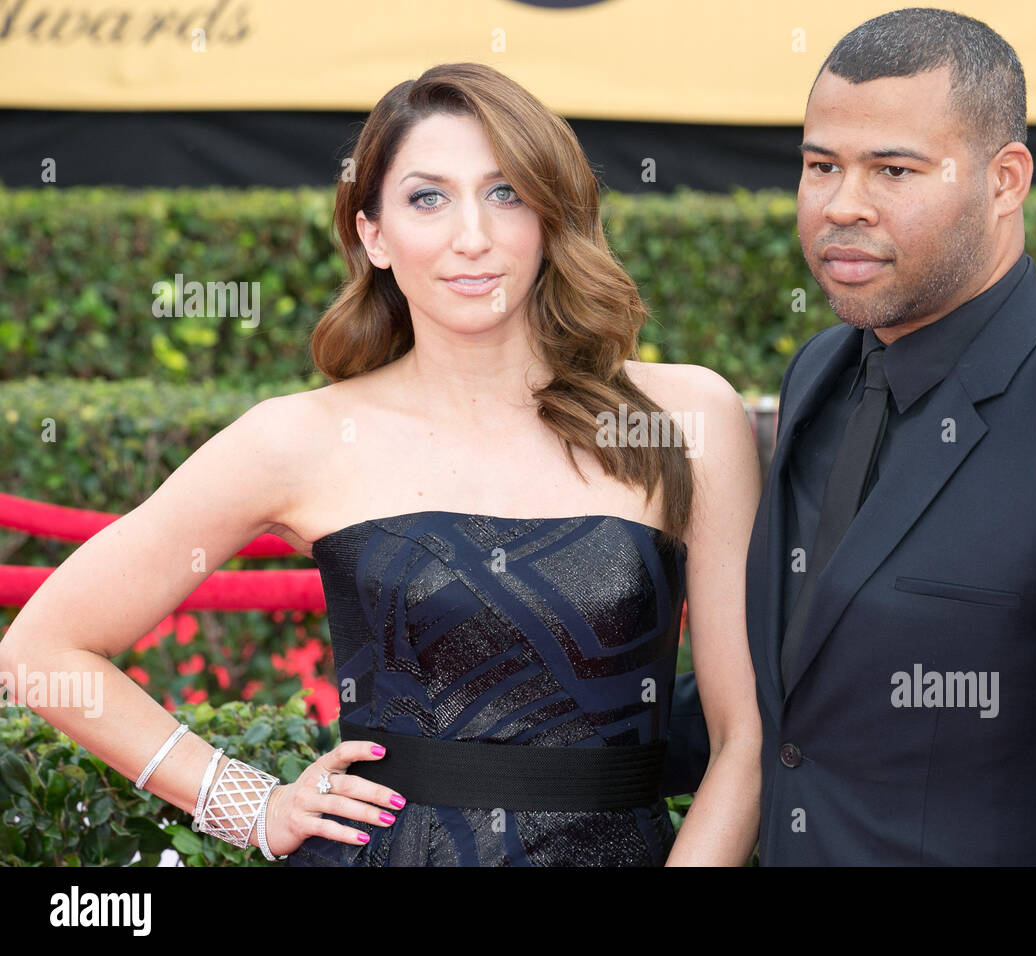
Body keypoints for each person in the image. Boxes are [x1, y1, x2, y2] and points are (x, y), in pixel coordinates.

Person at [0, 62, 763, 866]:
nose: (472, 235)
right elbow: (41, 649)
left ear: (549, 213)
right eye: (426, 198)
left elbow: (743, 740)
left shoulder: (684, 417)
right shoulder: (301, 438)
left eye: (505, 192)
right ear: (374, 234)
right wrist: (250, 806)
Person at [663, 7, 1036, 864]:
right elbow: (805, 696)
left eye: (893, 170)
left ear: (1005, 179)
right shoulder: (821, 374)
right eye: (820, 165)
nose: (842, 206)